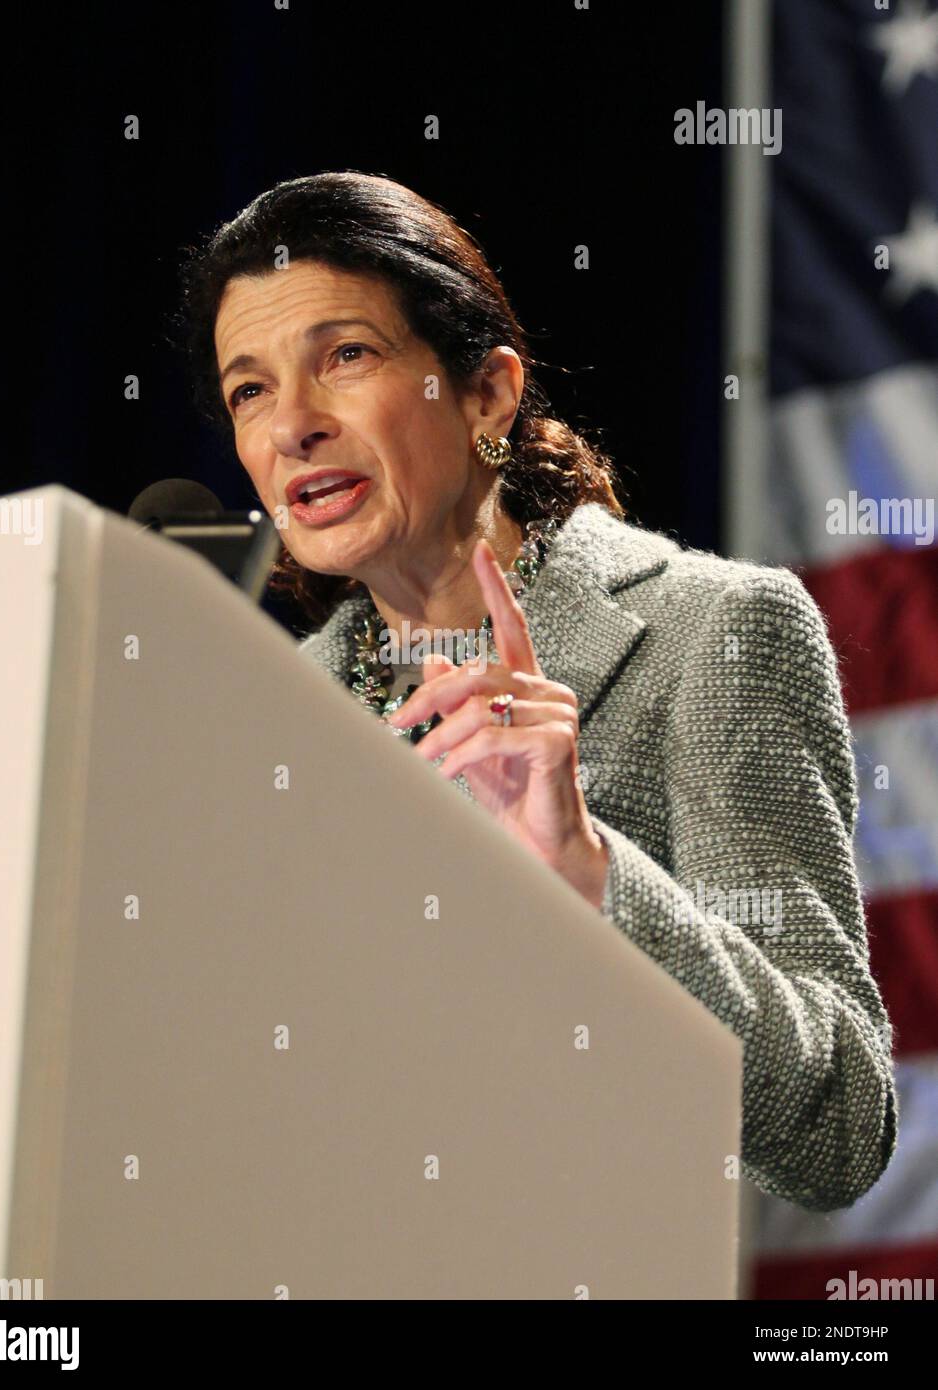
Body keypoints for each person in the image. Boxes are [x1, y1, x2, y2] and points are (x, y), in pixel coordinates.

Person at [178, 170, 897, 1214]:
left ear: (487, 392)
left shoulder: (710, 635)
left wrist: (589, 873)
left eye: (343, 357)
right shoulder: (267, 719)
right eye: (249, 390)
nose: (291, 424)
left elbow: (838, 1126)